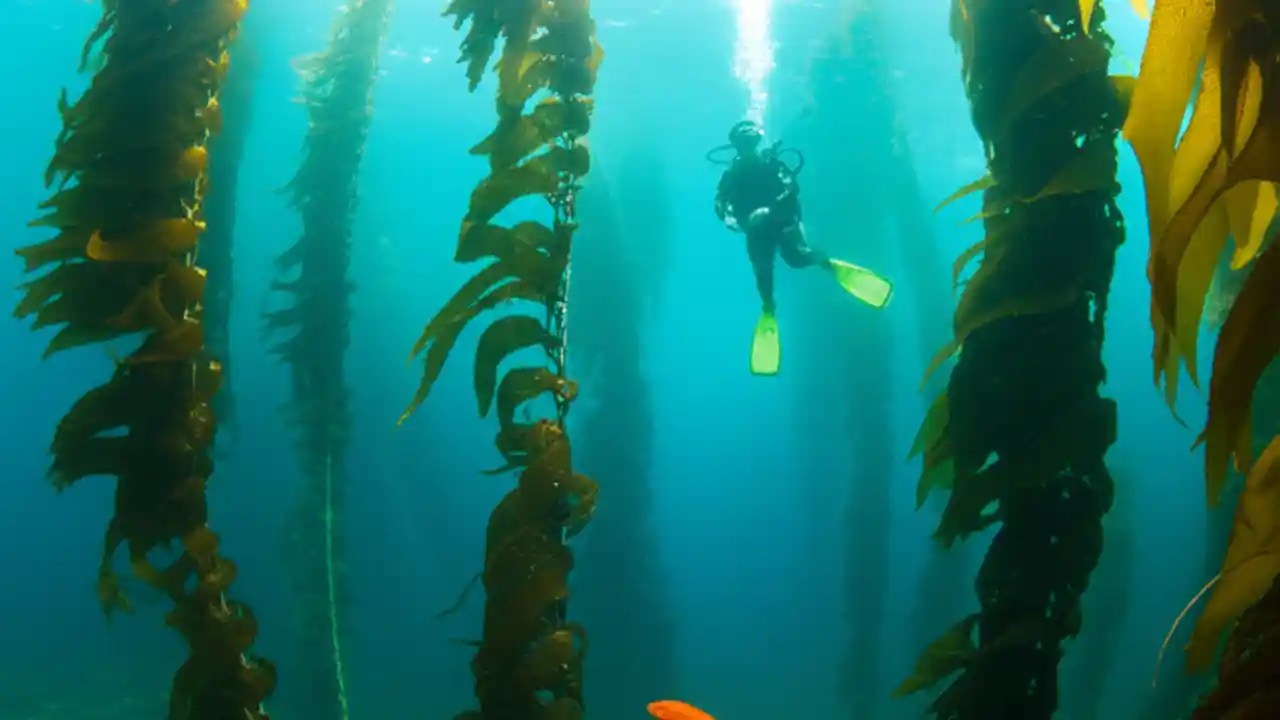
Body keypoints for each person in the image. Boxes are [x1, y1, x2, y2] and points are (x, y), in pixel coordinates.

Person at [710, 119, 893, 375]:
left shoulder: (772, 162)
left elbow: (791, 187)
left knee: (797, 258)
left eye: (751, 136)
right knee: (764, 274)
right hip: (756, 230)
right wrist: (744, 221)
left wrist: (773, 210)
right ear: (736, 143)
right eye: (743, 137)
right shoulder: (732, 174)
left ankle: (825, 264)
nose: (748, 141)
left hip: (782, 222)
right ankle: (769, 307)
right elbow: (721, 207)